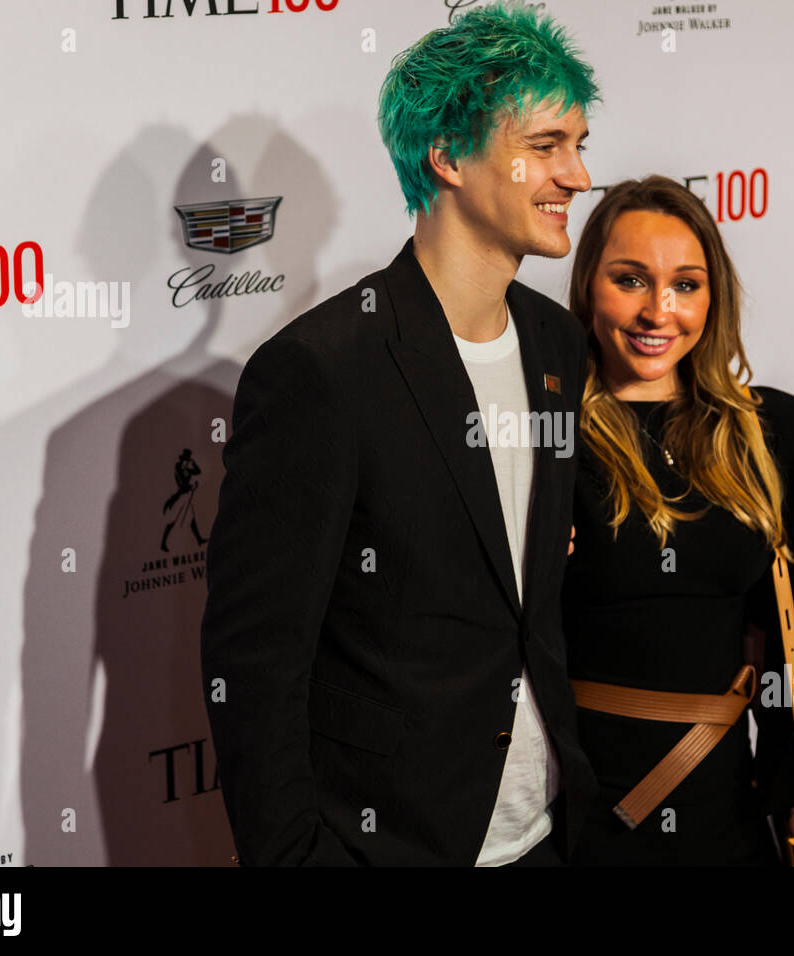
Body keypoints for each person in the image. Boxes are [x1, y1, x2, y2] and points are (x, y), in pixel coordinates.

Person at [200, 3, 602, 865]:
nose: (577, 175)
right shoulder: (321, 372)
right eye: (545, 147)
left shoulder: (559, 343)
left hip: (546, 832)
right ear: (448, 155)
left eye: (578, 145)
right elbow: (256, 663)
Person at [560, 175, 794, 866]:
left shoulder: (767, 428)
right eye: (630, 280)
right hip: (575, 823)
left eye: (686, 285)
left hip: (727, 816)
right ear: (588, 285)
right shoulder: (546, 432)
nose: (659, 311)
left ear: (714, 296)